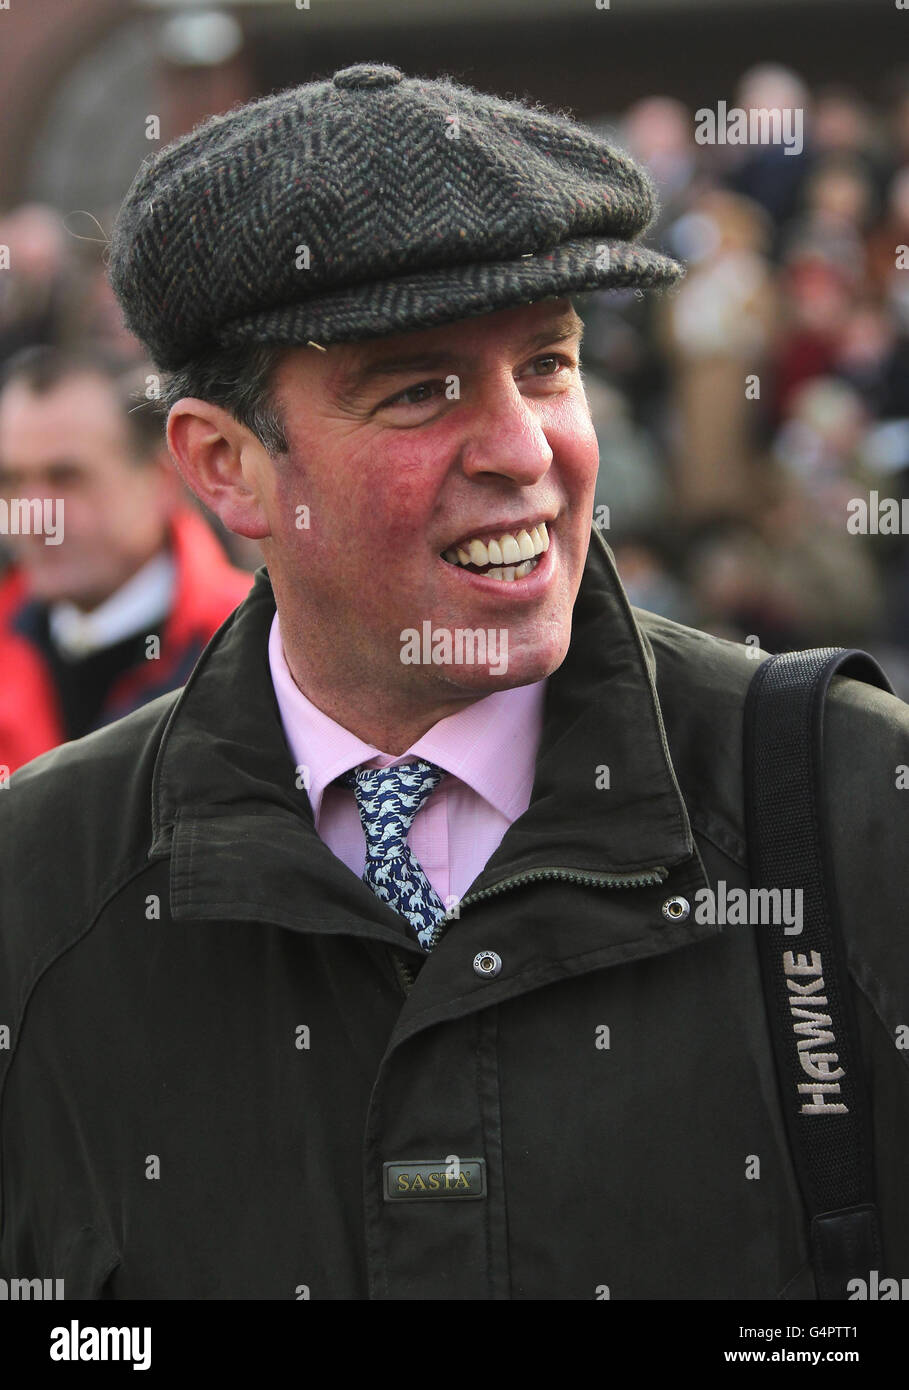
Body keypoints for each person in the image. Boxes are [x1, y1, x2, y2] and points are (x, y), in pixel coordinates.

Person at [0, 64, 906, 1301]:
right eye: (422, 389)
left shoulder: (850, 805)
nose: (525, 450)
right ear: (228, 467)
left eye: (546, 364)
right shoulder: (43, 886)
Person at [0, 346, 253, 772]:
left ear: (162, 480)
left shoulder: (258, 641)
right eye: (11, 481)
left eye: (66, 477)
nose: (34, 514)